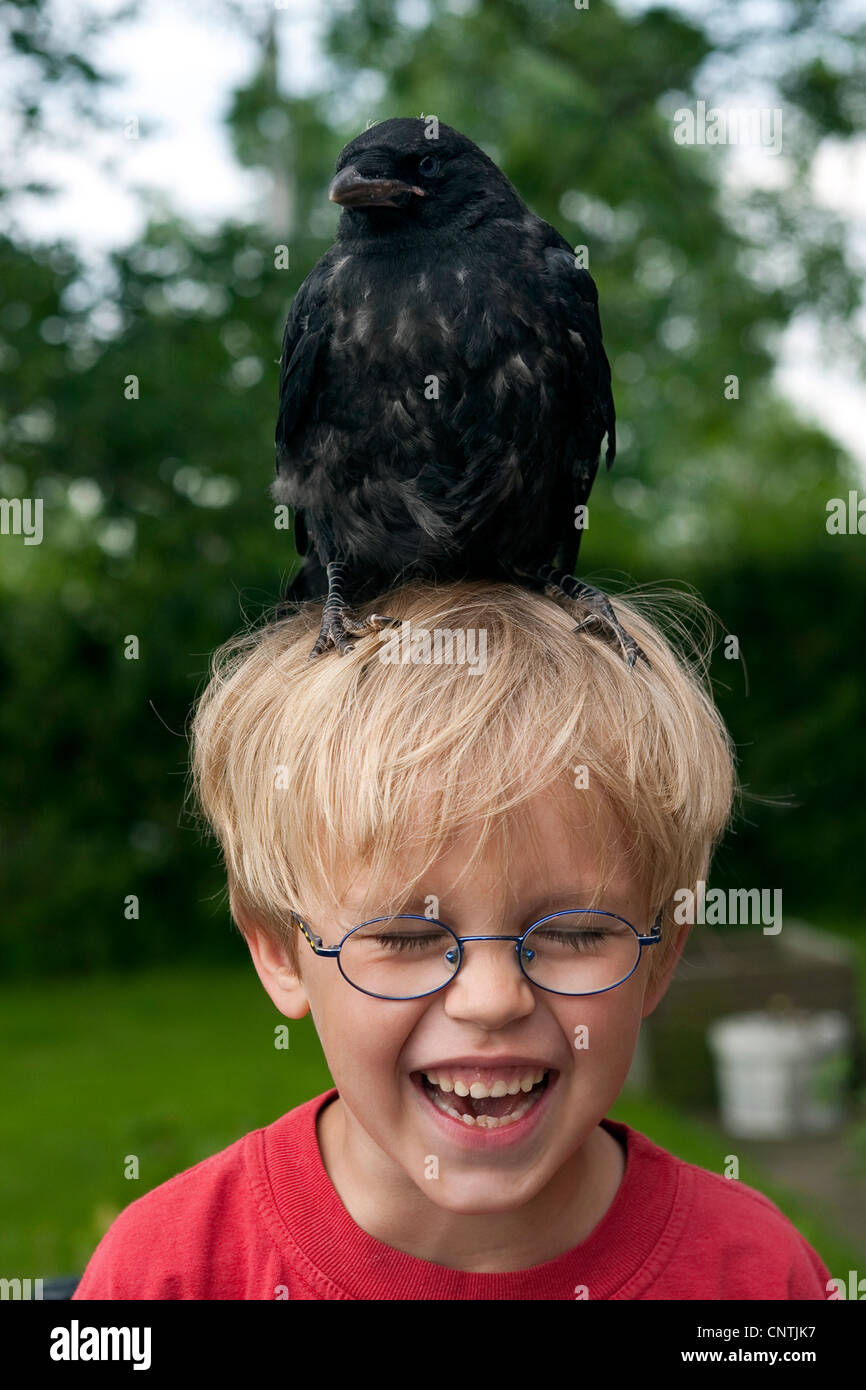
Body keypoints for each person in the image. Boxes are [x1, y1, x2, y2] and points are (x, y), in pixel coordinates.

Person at [72, 579, 832, 1300]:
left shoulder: (755, 1277)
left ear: (662, 955)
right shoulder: (170, 1274)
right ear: (279, 947)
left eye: (572, 931)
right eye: (404, 936)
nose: (494, 998)